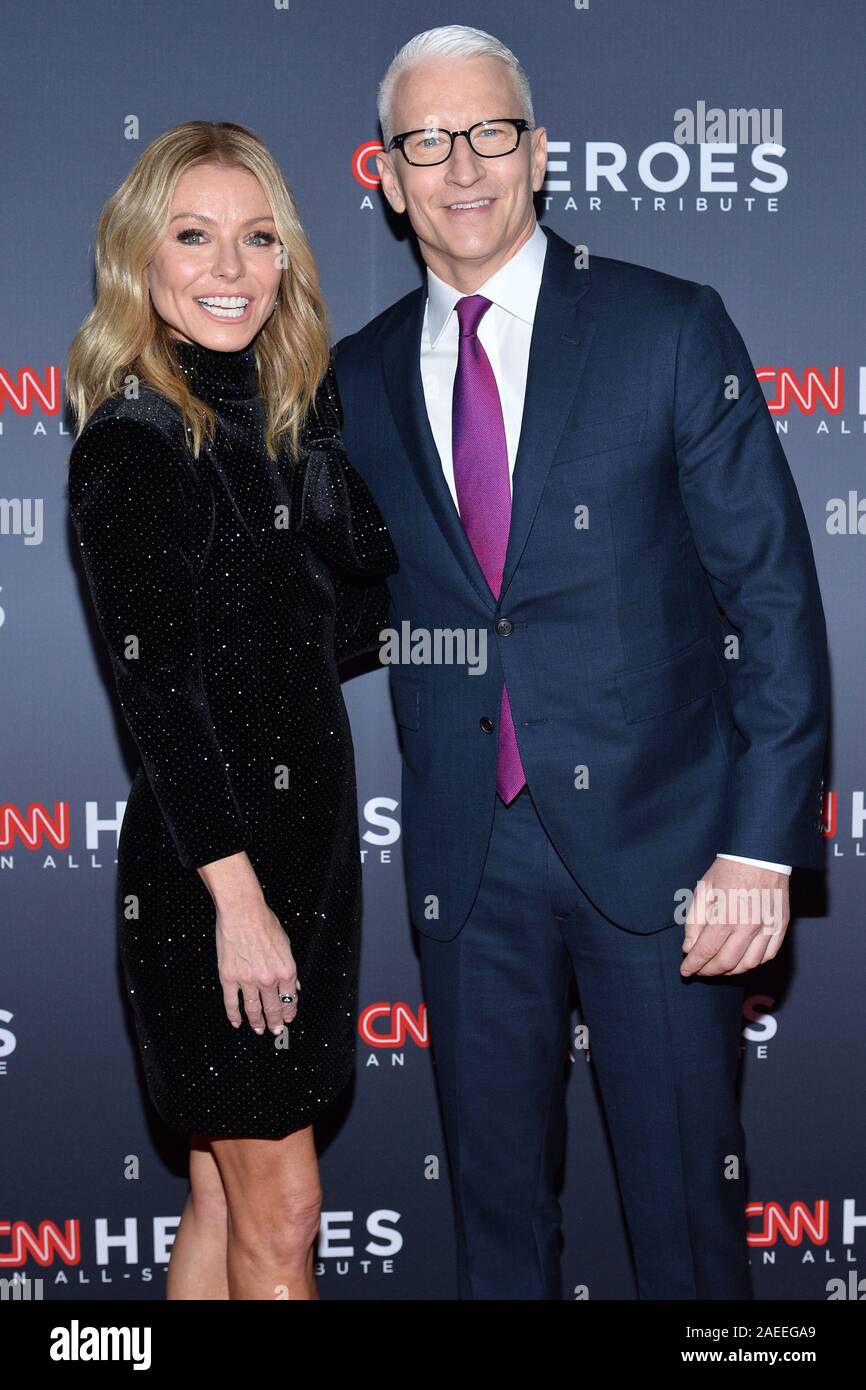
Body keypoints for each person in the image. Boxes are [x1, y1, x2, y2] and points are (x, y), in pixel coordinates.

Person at [333, 26, 829, 1299]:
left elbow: (768, 597)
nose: (460, 167)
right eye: (425, 142)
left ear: (537, 153)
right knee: (496, 1241)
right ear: (384, 175)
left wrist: (760, 844)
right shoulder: (357, 377)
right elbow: (320, 609)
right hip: (466, 856)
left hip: (668, 857)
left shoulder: (664, 326)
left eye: (489, 132)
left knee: (687, 1238)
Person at [66, 120, 397, 1300]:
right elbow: (158, 694)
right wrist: (238, 902)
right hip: (218, 881)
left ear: (287, 260)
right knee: (285, 1208)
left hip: (301, 862)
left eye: (256, 238)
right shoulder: (136, 444)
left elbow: (329, 632)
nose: (227, 267)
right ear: (139, 263)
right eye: (192, 236)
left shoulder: (276, 422)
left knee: (221, 1188)